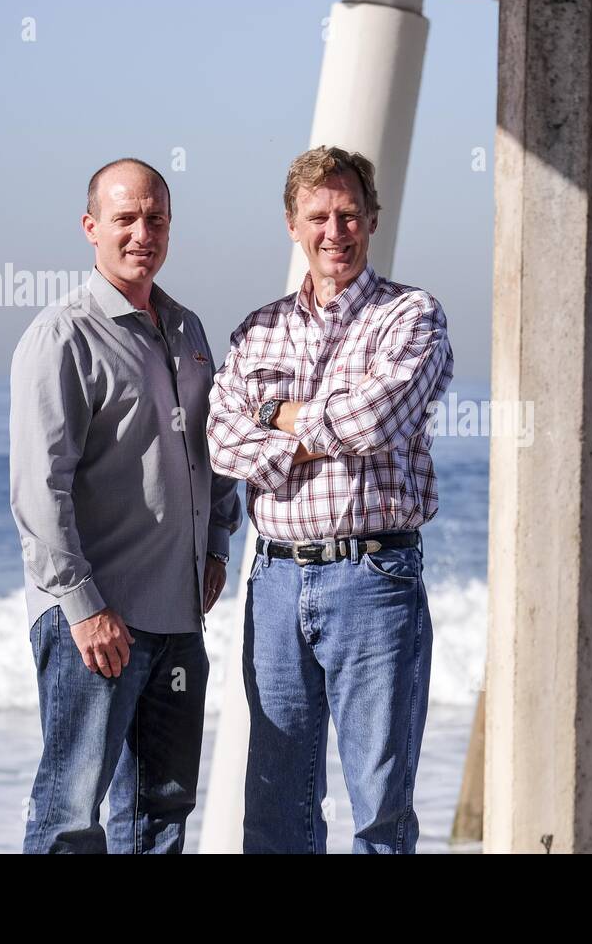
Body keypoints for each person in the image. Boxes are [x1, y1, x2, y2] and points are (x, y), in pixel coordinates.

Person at [207, 145, 453, 853]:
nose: (334, 231)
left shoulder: (411, 317)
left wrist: (276, 415)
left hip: (375, 580)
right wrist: (318, 427)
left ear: (372, 219)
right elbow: (222, 443)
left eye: (349, 214)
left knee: (378, 808)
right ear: (292, 223)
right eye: (319, 215)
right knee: (277, 806)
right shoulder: (257, 331)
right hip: (277, 579)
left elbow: (375, 419)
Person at [10, 158, 240, 853]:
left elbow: (216, 449)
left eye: (156, 218)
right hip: (96, 628)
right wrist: (84, 606)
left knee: (160, 817)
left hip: (177, 623)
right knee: (69, 819)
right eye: (125, 218)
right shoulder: (63, 336)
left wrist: (220, 546)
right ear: (91, 228)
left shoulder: (189, 330)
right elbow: (37, 488)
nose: (143, 232)